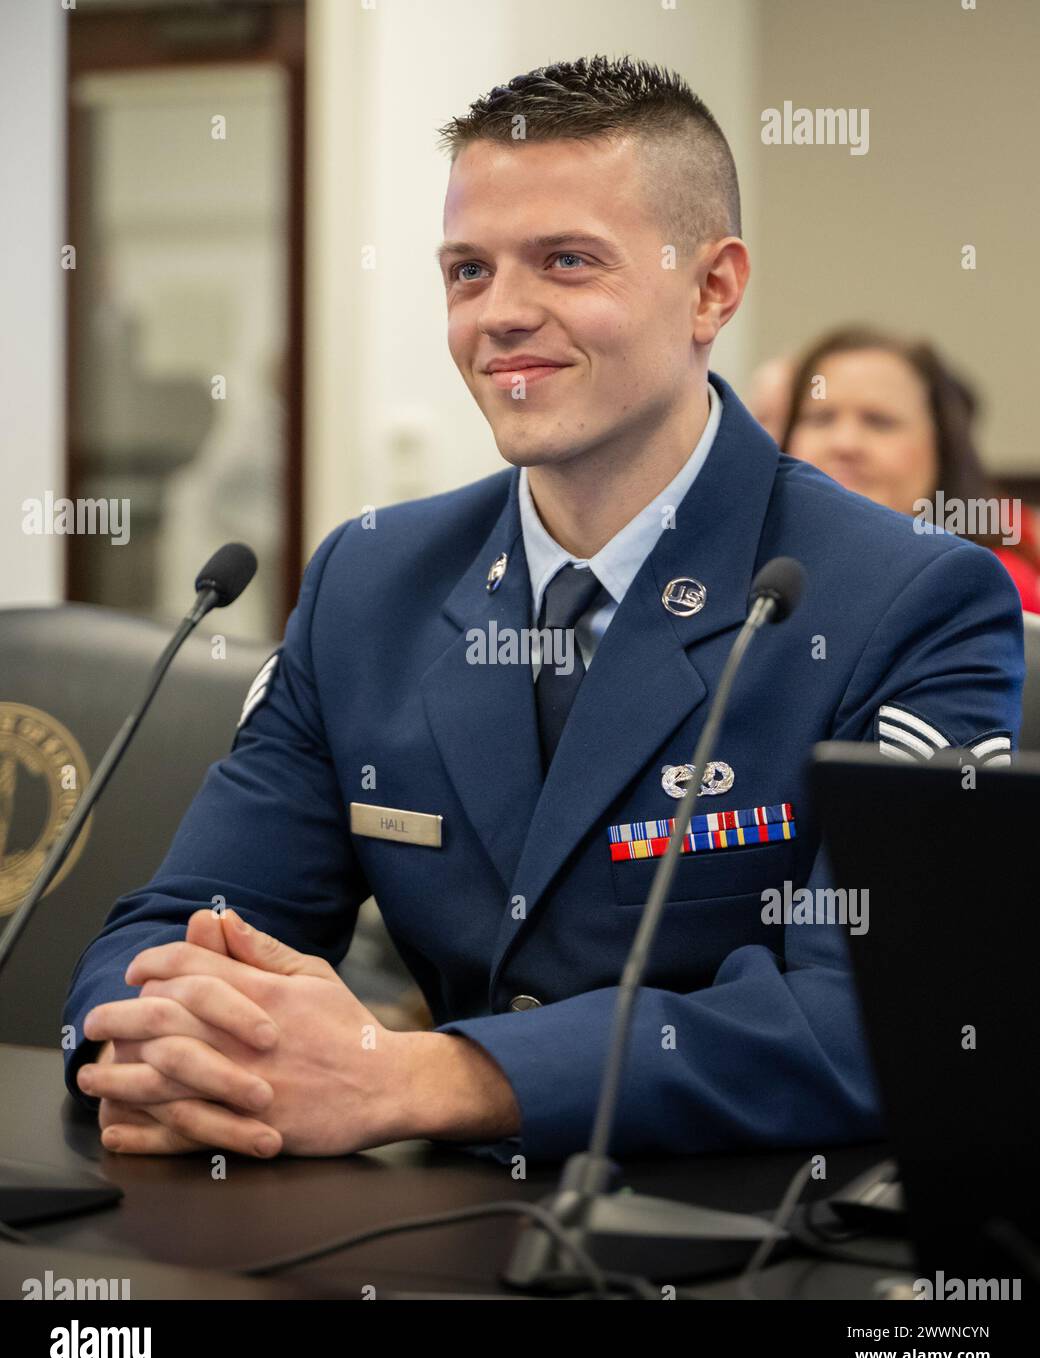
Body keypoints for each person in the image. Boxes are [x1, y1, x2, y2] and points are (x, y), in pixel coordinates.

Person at [62, 56, 1023, 1165]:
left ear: (712, 288)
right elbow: (182, 921)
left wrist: (423, 1074)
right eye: (467, 271)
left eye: (566, 262)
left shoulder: (906, 598)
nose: (501, 316)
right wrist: (160, 1039)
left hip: (728, 1235)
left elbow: (871, 1018)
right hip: (412, 1234)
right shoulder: (368, 583)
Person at [781, 326, 1040, 613]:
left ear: (942, 446)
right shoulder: (755, 583)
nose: (845, 443)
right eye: (821, 418)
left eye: (879, 421)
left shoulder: (997, 590)